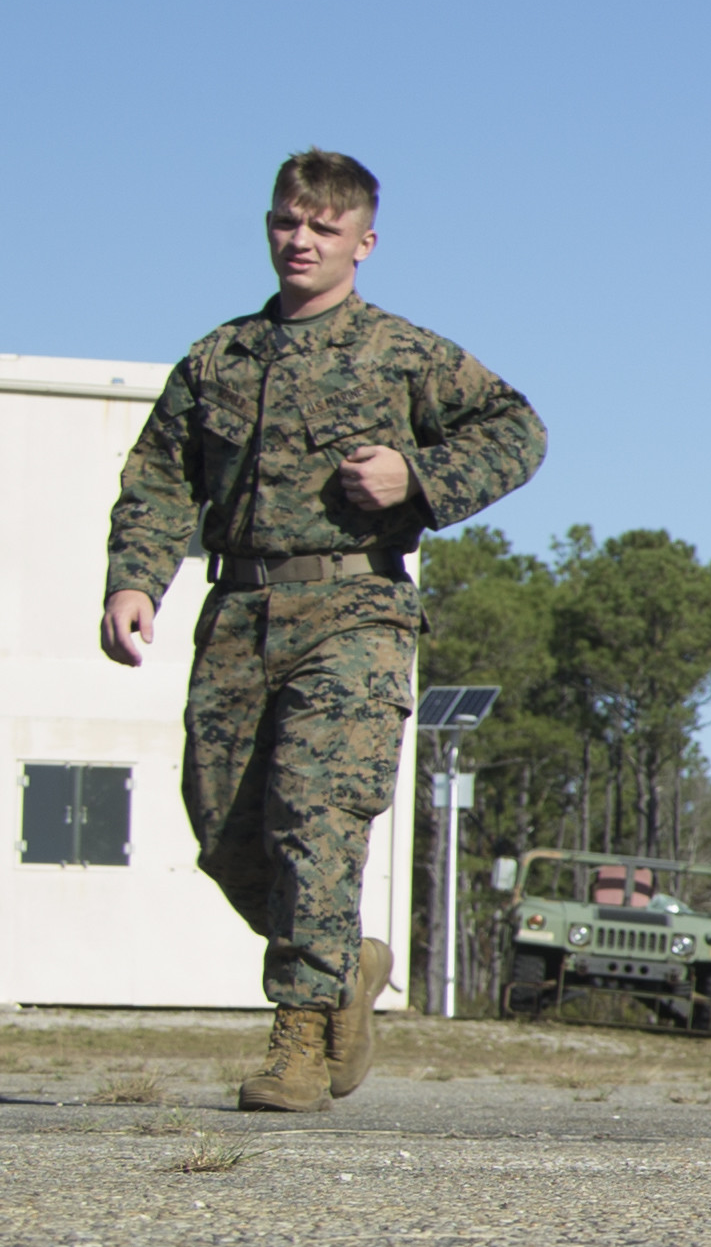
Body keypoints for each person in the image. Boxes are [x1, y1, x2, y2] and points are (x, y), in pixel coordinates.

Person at [100, 149, 550, 1112]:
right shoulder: (219, 358)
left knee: (315, 814)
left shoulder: (402, 352)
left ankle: (299, 1039)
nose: (299, 241)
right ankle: (345, 964)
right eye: (285, 223)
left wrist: (417, 479)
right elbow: (158, 478)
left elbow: (518, 429)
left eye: (323, 228)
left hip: (355, 610)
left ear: (363, 242)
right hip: (237, 611)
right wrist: (134, 581)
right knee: (224, 827)